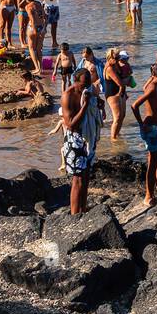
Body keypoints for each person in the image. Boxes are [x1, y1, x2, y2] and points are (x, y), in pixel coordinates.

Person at [61, 67, 104, 215]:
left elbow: (95, 101)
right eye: (83, 84)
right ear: (75, 81)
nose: (86, 87)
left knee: (86, 177)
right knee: (77, 179)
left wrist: (98, 103)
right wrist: (85, 105)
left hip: (88, 139)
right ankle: (74, 215)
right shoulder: (68, 95)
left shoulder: (88, 91)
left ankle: (83, 211)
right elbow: (70, 124)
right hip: (75, 140)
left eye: (88, 83)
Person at [129, 62, 157, 205]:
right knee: (153, 164)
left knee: (152, 160)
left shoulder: (151, 82)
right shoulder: (152, 88)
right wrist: (141, 123)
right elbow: (134, 106)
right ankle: (149, 196)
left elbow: (153, 75)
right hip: (151, 128)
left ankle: (150, 194)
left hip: (154, 127)